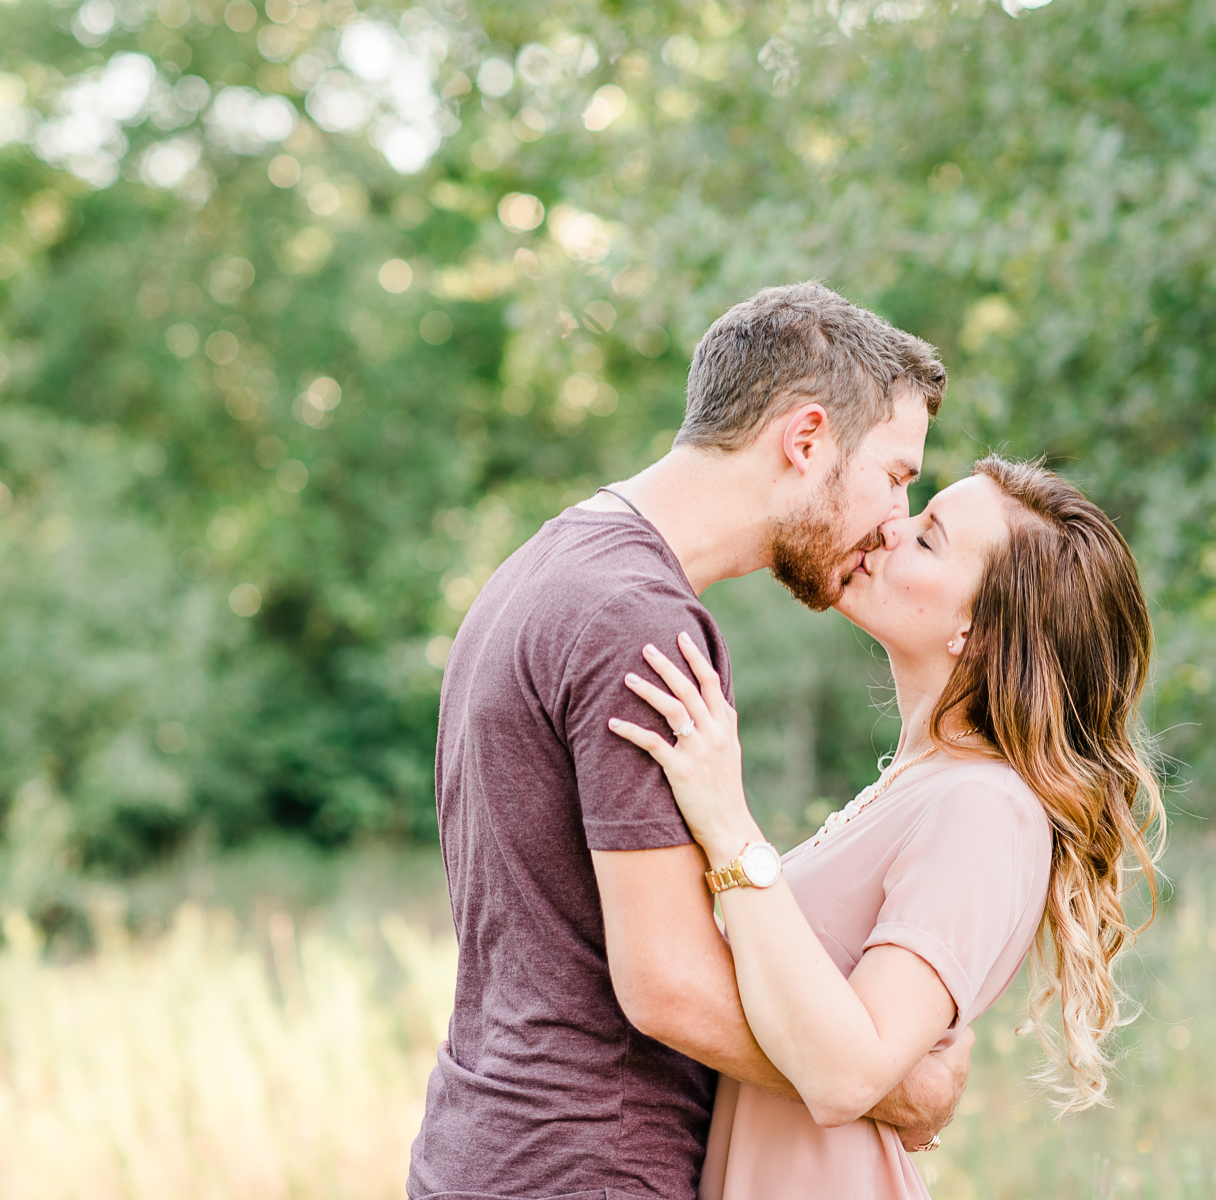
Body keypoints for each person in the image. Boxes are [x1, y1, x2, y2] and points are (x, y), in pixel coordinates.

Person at [408, 283, 974, 1200]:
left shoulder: (548, 566)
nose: (894, 519)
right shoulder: (640, 619)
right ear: (806, 439)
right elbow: (664, 984)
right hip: (588, 1164)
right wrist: (892, 1088)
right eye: (897, 475)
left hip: (486, 1146)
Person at [611, 456, 1166, 1199]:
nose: (891, 529)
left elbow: (846, 1074)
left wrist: (727, 820)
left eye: (928, 539)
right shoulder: (923, 786)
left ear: (981, 634)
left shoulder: (985, 808)